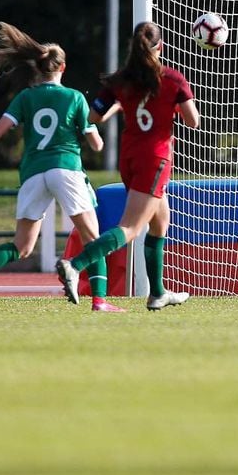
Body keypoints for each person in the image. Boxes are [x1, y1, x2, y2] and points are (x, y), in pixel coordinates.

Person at [0, 23, 123, 312]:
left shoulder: (26, 97)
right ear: (63, 67)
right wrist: (102, 119)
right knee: (92, 239)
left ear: (38, 68)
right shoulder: (74, 97)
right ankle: (99, 301)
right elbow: (97, 145)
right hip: (66, 169)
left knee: (21, 247)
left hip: (34, 173)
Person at [56, 21, 200, 311]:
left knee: (160, 222)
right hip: (155, 158)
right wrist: (168, 106)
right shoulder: (172, 79)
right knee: (132, 227)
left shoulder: (119, 81)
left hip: (130, 156)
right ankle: (75, 265)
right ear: (161, 47)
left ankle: (157, 292)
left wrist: (122, 105)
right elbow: (193, 121)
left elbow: (94, 117)